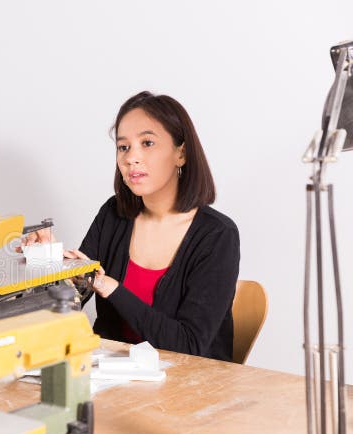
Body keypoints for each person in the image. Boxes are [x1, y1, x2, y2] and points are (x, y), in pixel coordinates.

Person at [27, 91, 239, 361]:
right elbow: (73, 301)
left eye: (147, 143)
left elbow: (190, 345)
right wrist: (47, 267)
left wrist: (111, 287)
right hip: (113, 380)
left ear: (181, 154)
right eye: (123, 147)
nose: (131, 158)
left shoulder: (217, 235)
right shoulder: (114, 214)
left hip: (187, 387)